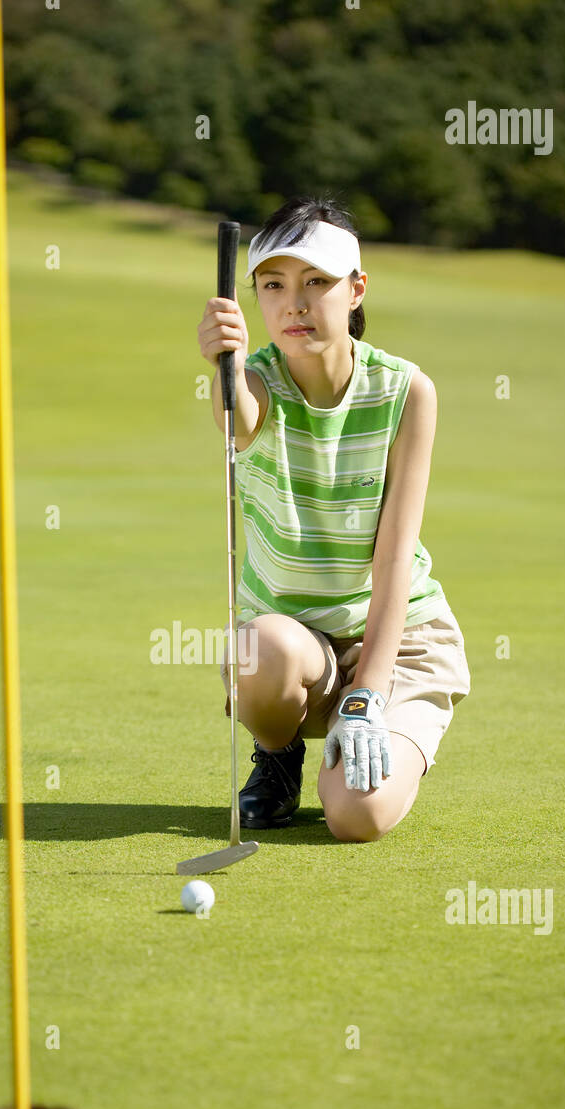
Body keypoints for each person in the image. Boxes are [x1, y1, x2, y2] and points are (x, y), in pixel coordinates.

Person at [196, 194, 470, 843]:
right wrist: (221, 362)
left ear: (355, 289)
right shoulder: (254, 383)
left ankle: (376, 736)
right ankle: (277, 756)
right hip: (292, 646)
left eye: (315, 282)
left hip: (399, 642)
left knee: (355, 817)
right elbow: (237, 418)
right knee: (258, 646)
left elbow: (394, 558)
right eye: (272, 284)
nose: (293, 303)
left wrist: (365, 694)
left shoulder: (406, 390)